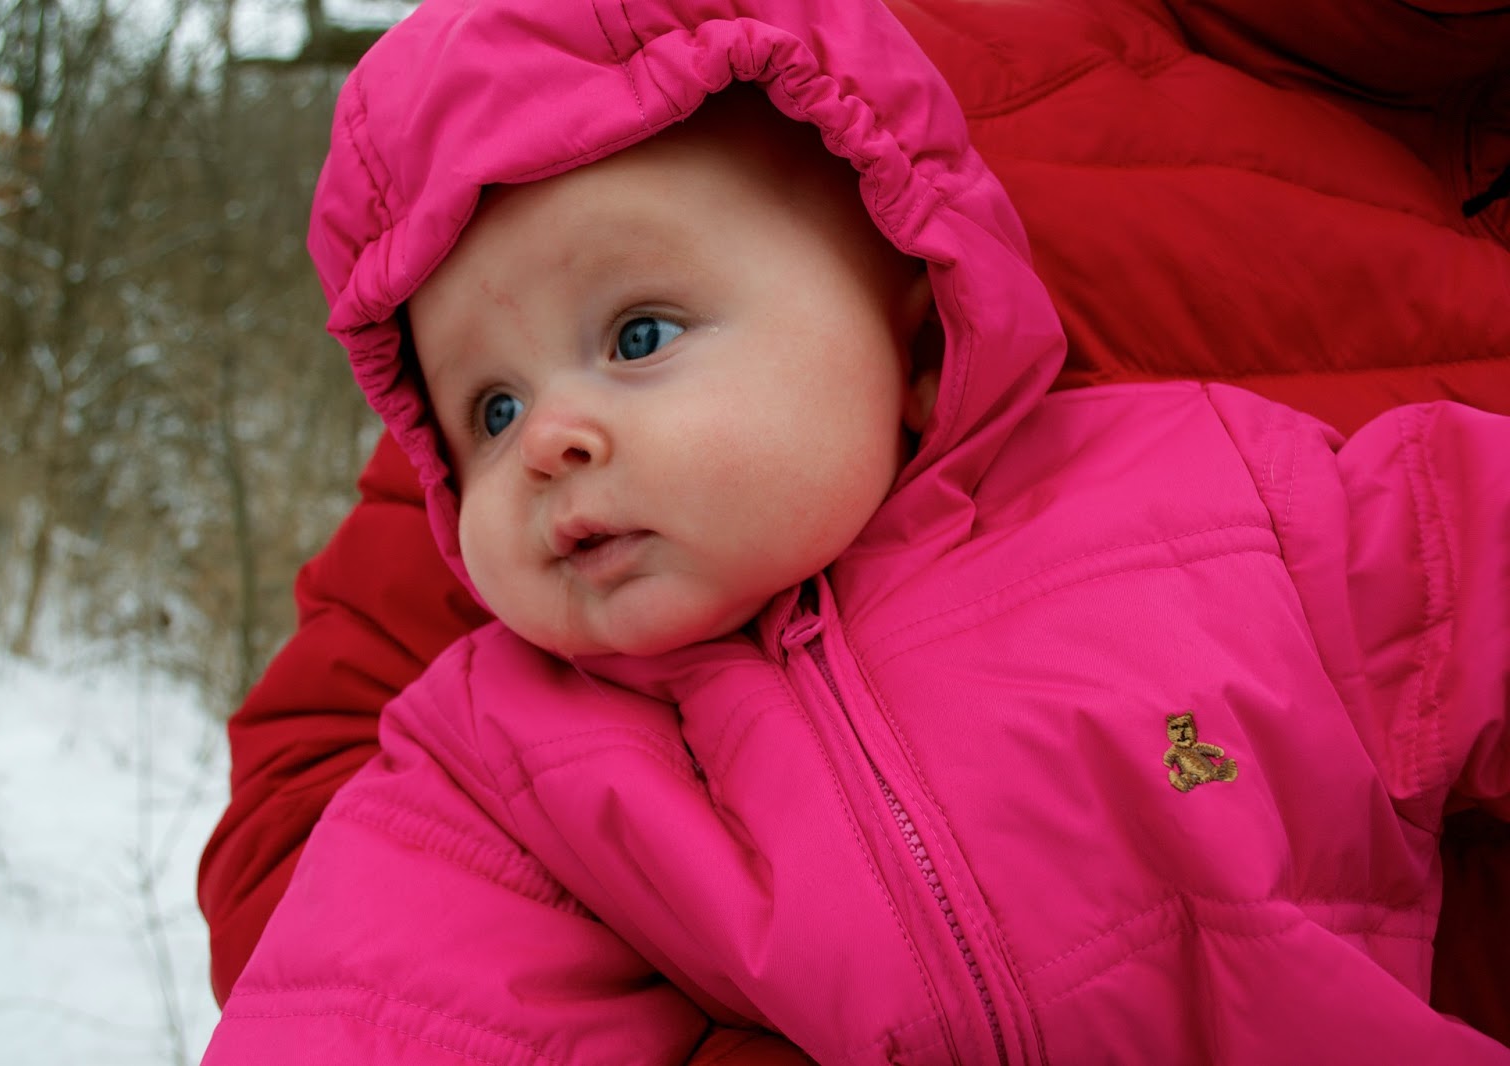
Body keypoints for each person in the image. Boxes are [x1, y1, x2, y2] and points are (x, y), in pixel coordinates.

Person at [198, 0, 1510, 1061]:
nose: (550, 437)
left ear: (913, 326)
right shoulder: (501, 762)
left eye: (638, 336)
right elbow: (376, 1009)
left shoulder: (1216, 505)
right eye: (488, 407)